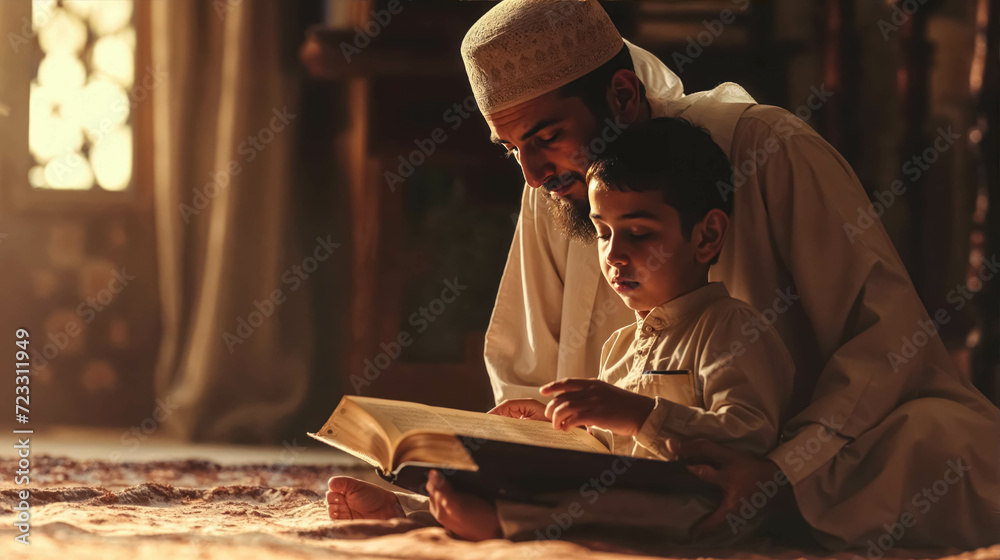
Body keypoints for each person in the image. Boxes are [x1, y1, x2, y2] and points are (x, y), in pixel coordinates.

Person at [330, 0, 1000, 549]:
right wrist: (534, 425)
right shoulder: (556, 187)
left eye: (544, 135)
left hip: (813, 450)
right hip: (648, 460)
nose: (532, 174)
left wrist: (778, 470)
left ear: (622, 94)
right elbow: (533, 371)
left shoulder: (772, 150)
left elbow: (884, 344)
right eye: (512, 150)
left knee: (943, 451)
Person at [331, 117, 797, 544]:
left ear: (707, 236)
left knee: (614, 503)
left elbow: (747, 438)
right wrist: (555, 429)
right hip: (630, 487)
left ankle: (500, 525)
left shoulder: (732, 327)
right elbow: (611, 447)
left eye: (638, 233)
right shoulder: (621, 344)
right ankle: (411, 510)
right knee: (553, 485)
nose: (614, 256)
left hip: (697, 503)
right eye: (603, 232)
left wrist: (639, 415)